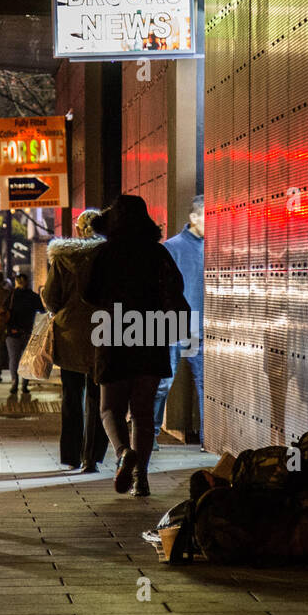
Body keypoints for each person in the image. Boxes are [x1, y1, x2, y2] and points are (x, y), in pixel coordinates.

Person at [85, 195, 188, 497]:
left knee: (109, 408)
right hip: (151, 335)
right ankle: (141, 478)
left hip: (114, 332)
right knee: (142, 412)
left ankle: (122, 454)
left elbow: (88, 294)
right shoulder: (158, 254)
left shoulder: (104, 254)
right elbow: (176, 288)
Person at [42, 209, 110, 471]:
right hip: (102, 332)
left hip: (69, 333)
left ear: (80, 229)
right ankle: (91, 457)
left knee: (72, 396)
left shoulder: (63, 257)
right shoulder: (108, 256)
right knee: (98, 396)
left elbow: (51, 297)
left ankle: (70, 456)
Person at [153, 194, 205, 450]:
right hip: (174, 325)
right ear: (193, 217)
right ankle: (149, 435)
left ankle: (209, 438)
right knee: (163, 383)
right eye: (207, 216)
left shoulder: (213, 247)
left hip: (201, 326)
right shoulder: (172, 247)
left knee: (205, 385)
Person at [3, 272, 45, 395]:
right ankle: (24, 385)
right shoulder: (33, 296)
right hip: (28, 332)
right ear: (27, 282)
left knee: (14, 359)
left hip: (12, 332)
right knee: (27, 360)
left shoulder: (11, 296)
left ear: (16, 282)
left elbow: (3, 312)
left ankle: (14, 383)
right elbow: (42, 312)